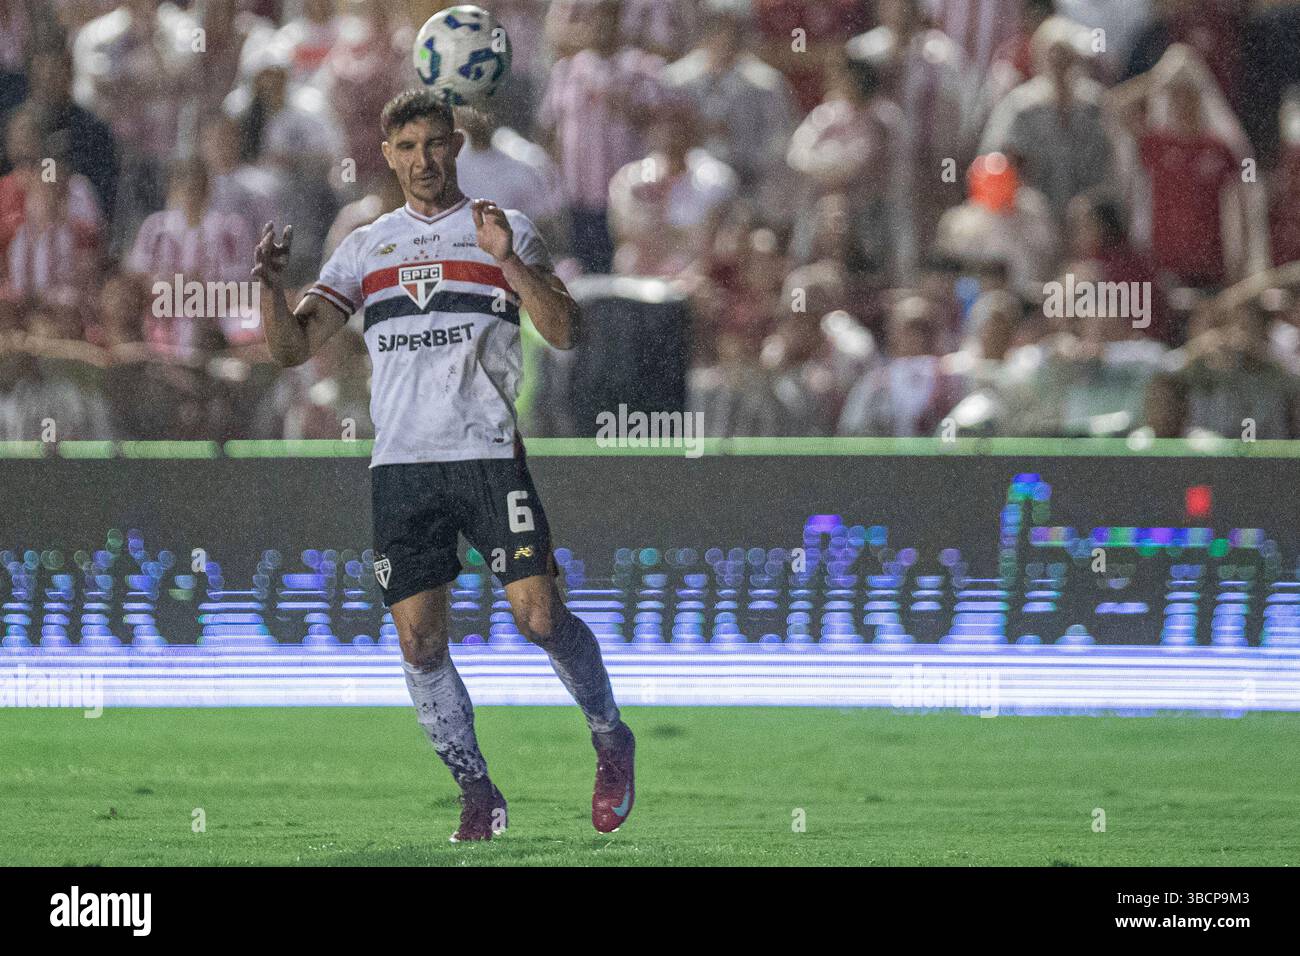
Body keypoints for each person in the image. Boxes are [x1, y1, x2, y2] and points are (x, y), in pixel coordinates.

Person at [251, 89, 635, 843]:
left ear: (455, 147)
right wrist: (269, 287)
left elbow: (566, 330)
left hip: (489, 456)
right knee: (420, 642)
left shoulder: (503, 228)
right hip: (402, 468)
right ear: (388, 156)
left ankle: (610, 735)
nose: (423, 160)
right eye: (408, 148)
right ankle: (477, 792)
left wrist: (507, 263)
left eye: (435, 144)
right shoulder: (367, 245)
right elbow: (292, 348)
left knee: (541, 616)